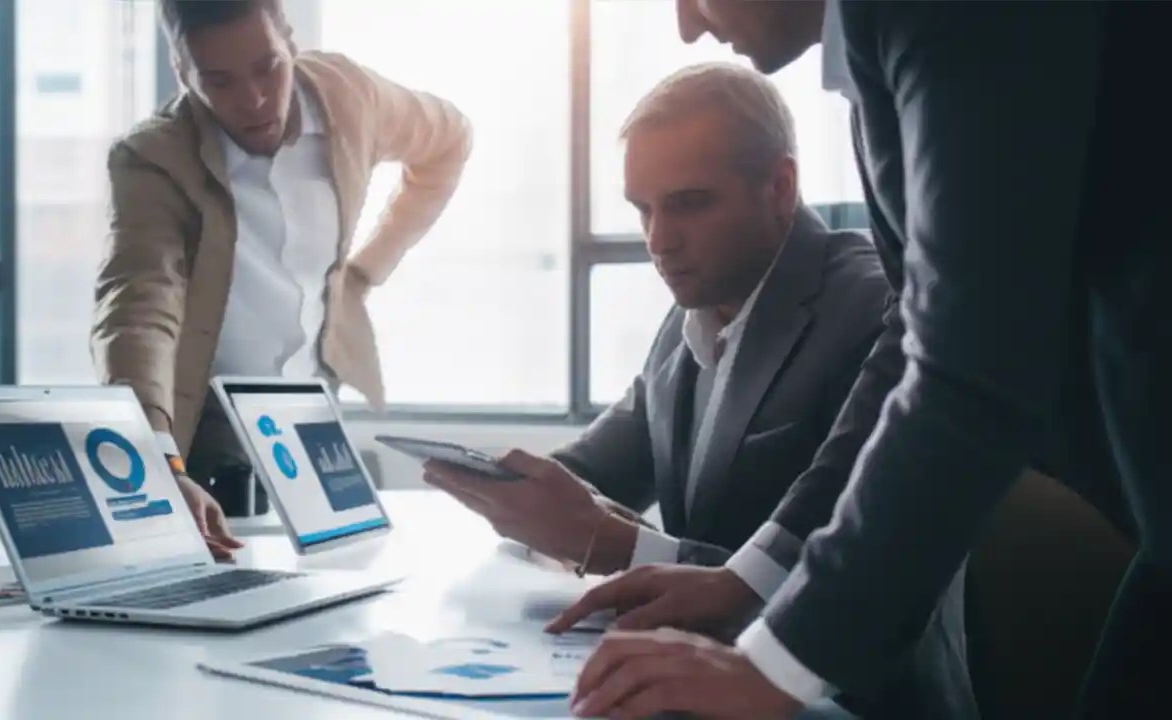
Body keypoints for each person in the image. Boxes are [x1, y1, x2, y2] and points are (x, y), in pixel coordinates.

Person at [556, 1, 1168, 718]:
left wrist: (775, 666)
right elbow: (918, 340)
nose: (688, 25)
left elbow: (968, 369)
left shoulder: (945, 18)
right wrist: (751, 582)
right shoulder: (882, 48)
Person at [425, 63, 970, 715]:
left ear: (781, 186)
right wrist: (520, 498)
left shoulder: (874, 308)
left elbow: (855, 584)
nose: (658, 241)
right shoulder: (690, 318)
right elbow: (593, 469)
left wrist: (614, 543)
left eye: (689, 204)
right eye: (643, 210)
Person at [91, 0, 472, 549]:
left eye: (268, 67)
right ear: (183, 72)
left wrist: (368, 269)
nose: (252, 100)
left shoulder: (349, 96)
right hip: (205, 428)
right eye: (218, 81)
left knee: (343, 580)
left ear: (289, 41)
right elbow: (137, 304)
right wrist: (158, 458)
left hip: (315, 405)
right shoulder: (154, 158)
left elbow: (450, 139)